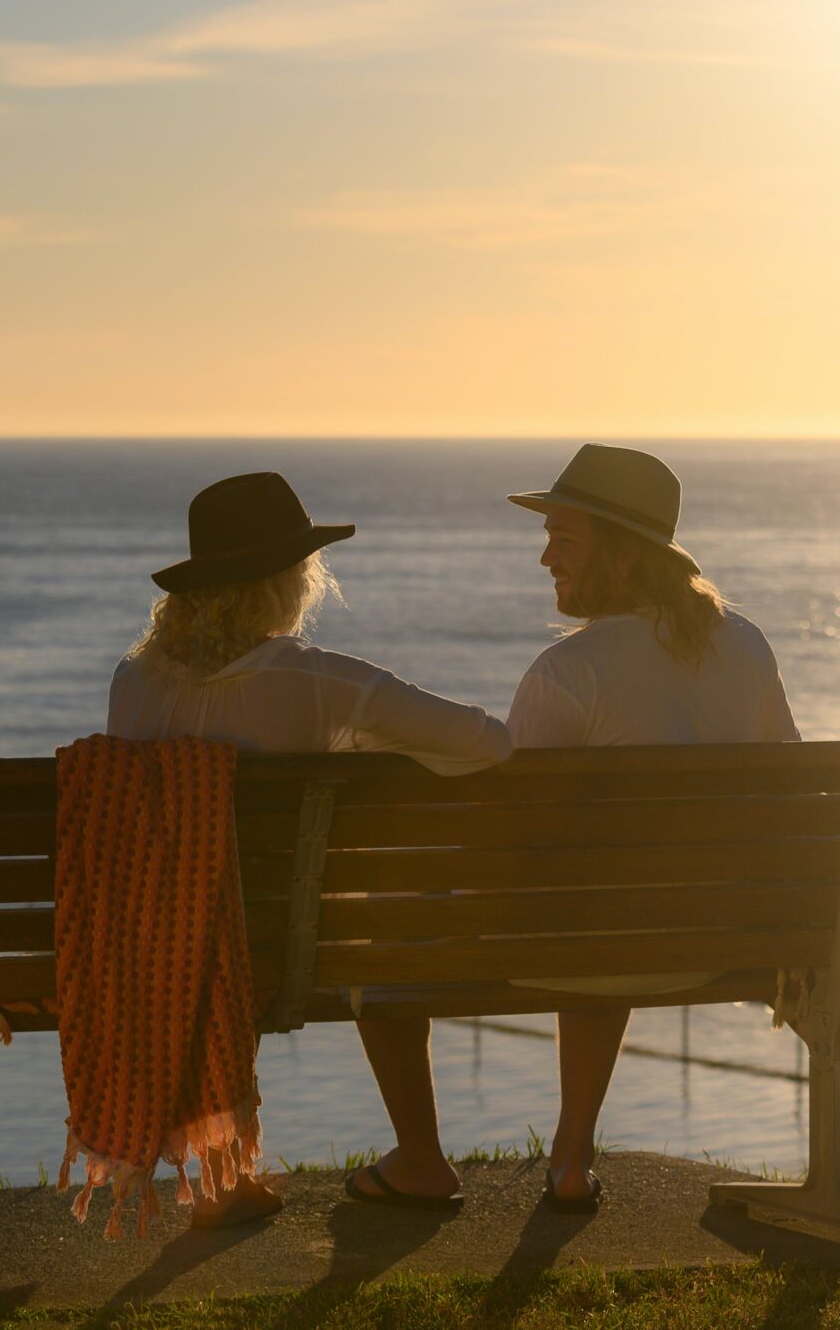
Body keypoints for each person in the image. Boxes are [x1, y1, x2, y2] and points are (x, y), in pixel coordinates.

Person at [351, 443, 799, 1214]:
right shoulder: (747, 644)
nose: (544, 556)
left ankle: (421, 1158)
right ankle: (569, 1157)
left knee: (381, 934)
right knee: (608, 901)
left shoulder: (570, 671)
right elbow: (789, 799)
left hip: (595, 941)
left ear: (621, 556)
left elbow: (512, 844)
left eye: (564, 538)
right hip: (723, 940)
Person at [108, 470, 511, 1225]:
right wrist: (361, 740)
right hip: (289, 950)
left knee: (209, 895)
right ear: (286, 582)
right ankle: (418, 1153)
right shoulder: (320, 682)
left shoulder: (133, 682)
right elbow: (487, 741)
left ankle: (225, 1175)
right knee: (384, 927)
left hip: (154, 952)